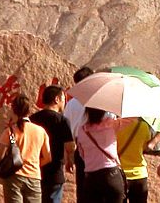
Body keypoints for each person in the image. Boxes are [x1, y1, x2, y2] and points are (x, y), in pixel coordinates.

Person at [75, 108, 135, 203]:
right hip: (111, 175)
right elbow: (132, 119)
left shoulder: (82, 130)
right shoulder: (111, 124)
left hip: (91, 178)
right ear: (103, 112)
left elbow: (82, 154)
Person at [1, 95, 51, 203]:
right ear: (29, 110)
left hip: (13, 176)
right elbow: (47, 157)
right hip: (34, 177)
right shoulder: (40, 131)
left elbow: (0, 156)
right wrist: (34, 164)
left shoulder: (10, 131)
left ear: (13, 109)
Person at [30, 86, 74, 203]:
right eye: (64, 98)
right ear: (56, 99)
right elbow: (70, 147)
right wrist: (71, 158)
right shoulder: (62, 120)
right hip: (55, 173)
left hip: (35, 170)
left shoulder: (32, 119)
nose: (65, 102)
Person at [115, 116, 160, 203]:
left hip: (119, 174)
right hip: (139, 174)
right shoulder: (143, 126)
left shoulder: (116, 125)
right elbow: (145, 147)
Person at [64, 67, 93, 197]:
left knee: (82, 186)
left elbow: (67, 131)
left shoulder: (71, 104)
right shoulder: (99, 102)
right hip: (97, 147)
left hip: (79, 147)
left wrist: (68, 157)